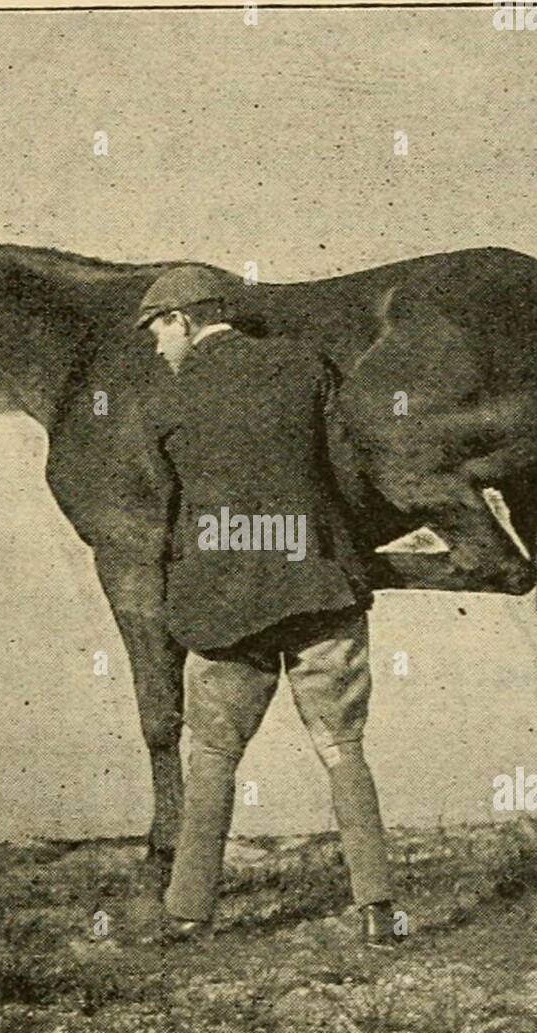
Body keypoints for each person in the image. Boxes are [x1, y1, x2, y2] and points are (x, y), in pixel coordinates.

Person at [137, 267, 404, 947]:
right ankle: (376, 909)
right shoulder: (306, 368)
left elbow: (163, 515)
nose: (155, 345)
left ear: (187, 322)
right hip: (320, 587)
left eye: (158, 328)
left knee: (213, 756)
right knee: (343, 748)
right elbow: (347, 476)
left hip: (223, 607)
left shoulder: (165, 400)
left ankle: (188, 913)